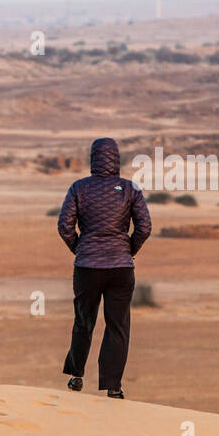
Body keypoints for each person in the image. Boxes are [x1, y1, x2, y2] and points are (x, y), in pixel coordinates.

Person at [56, 137, 152, 399]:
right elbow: (144, 228)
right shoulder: (129, 188)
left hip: (87, 268)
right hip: (120, 269)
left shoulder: (79, 188)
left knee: (83, 320)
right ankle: (113, 386)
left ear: (93, 158)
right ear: (116, 158)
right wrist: (128, 250)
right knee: (117, 326)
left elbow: (64, 226)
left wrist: (81, 248)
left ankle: (77, 376)